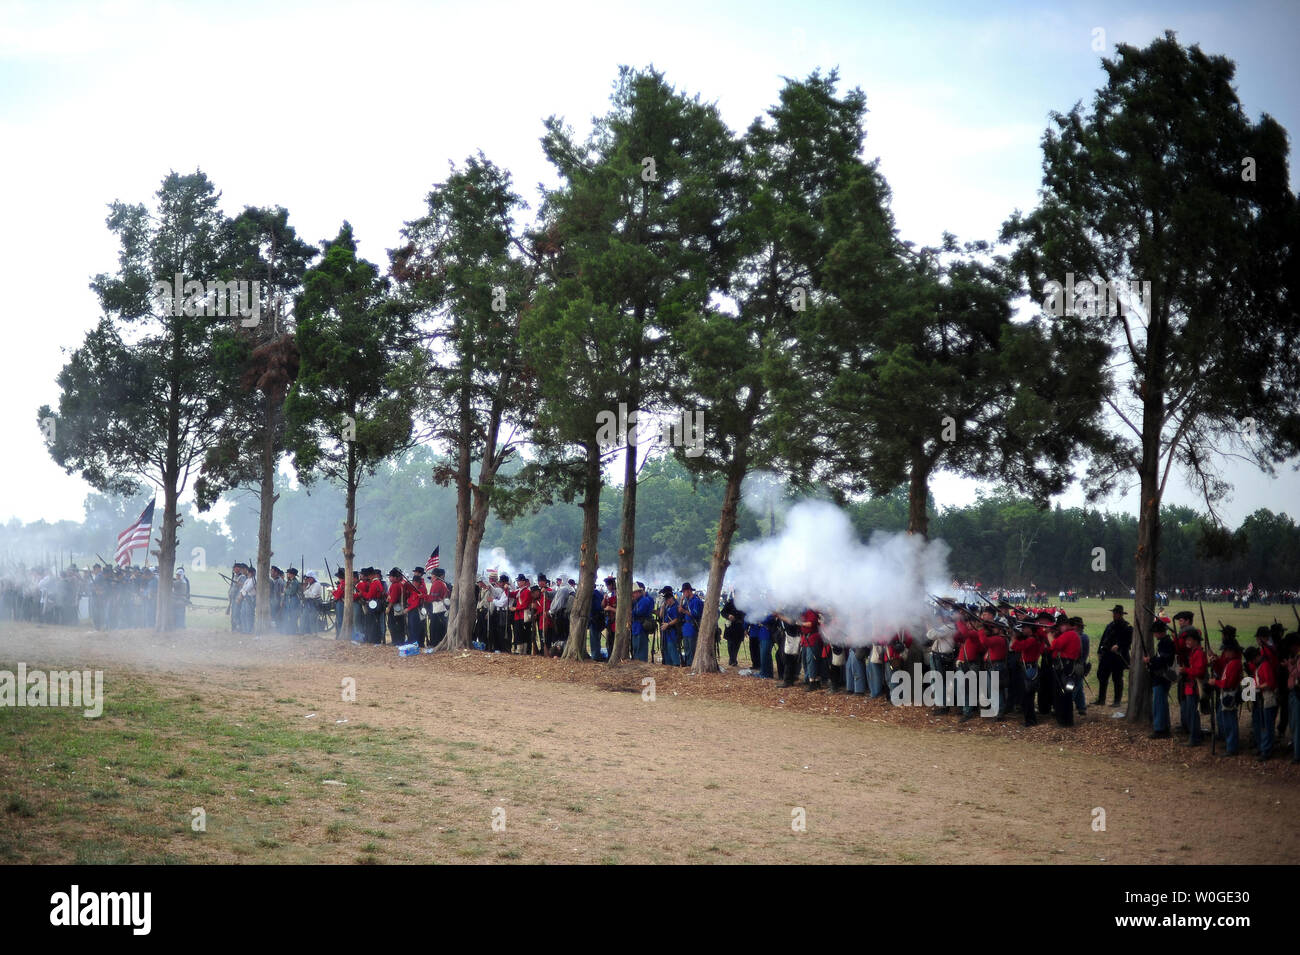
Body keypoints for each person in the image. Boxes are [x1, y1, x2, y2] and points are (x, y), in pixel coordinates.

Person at [1211, 629, 1244, 756]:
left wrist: (1215, 682)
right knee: (1228, 721)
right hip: (1227, 693)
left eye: (1226, 651)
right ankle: (1230, 744)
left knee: (1230, 722)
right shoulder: (1231, 662)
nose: (1225, 653)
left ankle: (1232, 747)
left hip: (1229, 693)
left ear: (1231, 651)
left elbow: (1228, 683)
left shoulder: (1234, 663)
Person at [1094, 605, 1131, 706]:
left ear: (1121, 614)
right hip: (1106, 655)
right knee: (1102, 676)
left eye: (1116, 613)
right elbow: (1103, 639)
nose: (1114, 615)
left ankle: (1117, 701)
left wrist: (1119, 645)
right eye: (1114, 613)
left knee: (1117, 678)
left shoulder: (1126, 627)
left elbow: (1128, 641)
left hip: (1117, 657)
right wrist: (1099, 652)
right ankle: (1101, 699)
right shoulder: (1110, 625)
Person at [1145, 619, 1176, 739]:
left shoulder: (1165, 643)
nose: (1154, 634)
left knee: (1159, 703)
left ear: (1160, 632)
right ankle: (1163, 726)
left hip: (1162, 677)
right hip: (1161, 676)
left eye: (1155, 632)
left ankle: (1160, 729)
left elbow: (1163, 661)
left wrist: (1150, 660)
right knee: (1160, 702)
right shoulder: (1164, 642)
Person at [1180, 629, 1207, 746]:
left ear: (1195, 641)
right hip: (1190, 686)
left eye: (1189, 639)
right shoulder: (1194, 652)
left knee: (1193, 713)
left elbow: (1199, 672)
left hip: (1194, 687)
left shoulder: (1198, 653)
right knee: (1191, 713)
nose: (1187, 641)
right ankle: (1194, 736)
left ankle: (1195, 738)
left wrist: (1185, 670)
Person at [680, 583, 703, 667]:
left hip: (692, 627)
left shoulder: (696, 601)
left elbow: (695, 614)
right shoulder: (686, 601)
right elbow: (680, 610)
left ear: (689, 591)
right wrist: (681, 601)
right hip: (686, 627)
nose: (683, 594)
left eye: (684, 592)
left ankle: (692, 664)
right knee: (686, 648)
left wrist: (684, 611)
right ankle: (688, 663)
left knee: (692, 647)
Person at [629, 582, 654, 662]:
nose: (633, 595)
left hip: (641, 627)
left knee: (641, 649)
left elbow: (640, 612)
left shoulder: (644, 601)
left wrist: (631, 612)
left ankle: (642, 665)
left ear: (638, 592)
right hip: (636, 627)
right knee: (636, 648)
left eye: (634, 593)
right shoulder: (637, 602)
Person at [659, 587, 682, 666]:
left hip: (672, 632)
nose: (666, 601)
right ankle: (668, 665)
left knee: (672, 649)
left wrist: (668, 624)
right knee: (667, 650)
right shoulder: (667, 607)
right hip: (666, 633)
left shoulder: (675, 606)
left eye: (667, 599)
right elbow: (661, 616)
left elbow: (676, 619)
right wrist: (662, 607)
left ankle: (676, 665)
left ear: (671, 598)